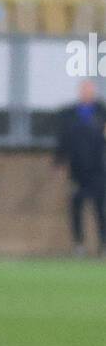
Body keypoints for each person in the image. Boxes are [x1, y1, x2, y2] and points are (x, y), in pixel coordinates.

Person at [55, 81, 106, 255]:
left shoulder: (102, 112)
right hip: (77, 171)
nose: (86, 93)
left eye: (89, 90)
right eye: (84, 90)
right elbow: (63, 139)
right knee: (76, 208)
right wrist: (59, 161)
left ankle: (103, 243)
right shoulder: (70, 114)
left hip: (99, 170)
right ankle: (79, 244)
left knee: (100, 209)